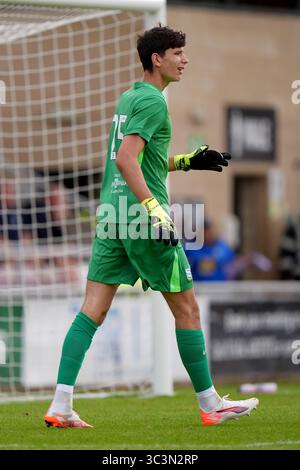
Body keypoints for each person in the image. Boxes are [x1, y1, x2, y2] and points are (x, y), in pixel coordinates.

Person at [44, 25, 258, 429]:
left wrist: (186, 162)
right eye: (178, 52)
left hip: (112, 216)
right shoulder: (154, 102)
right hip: (143, 218)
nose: (185, 60)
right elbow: (127, 159)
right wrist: (155, 210)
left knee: (92, 310)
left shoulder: (131, 97)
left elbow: (138, 159)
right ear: (157, 59)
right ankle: (210, 403)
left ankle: (61, 404)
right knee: (188, 308)